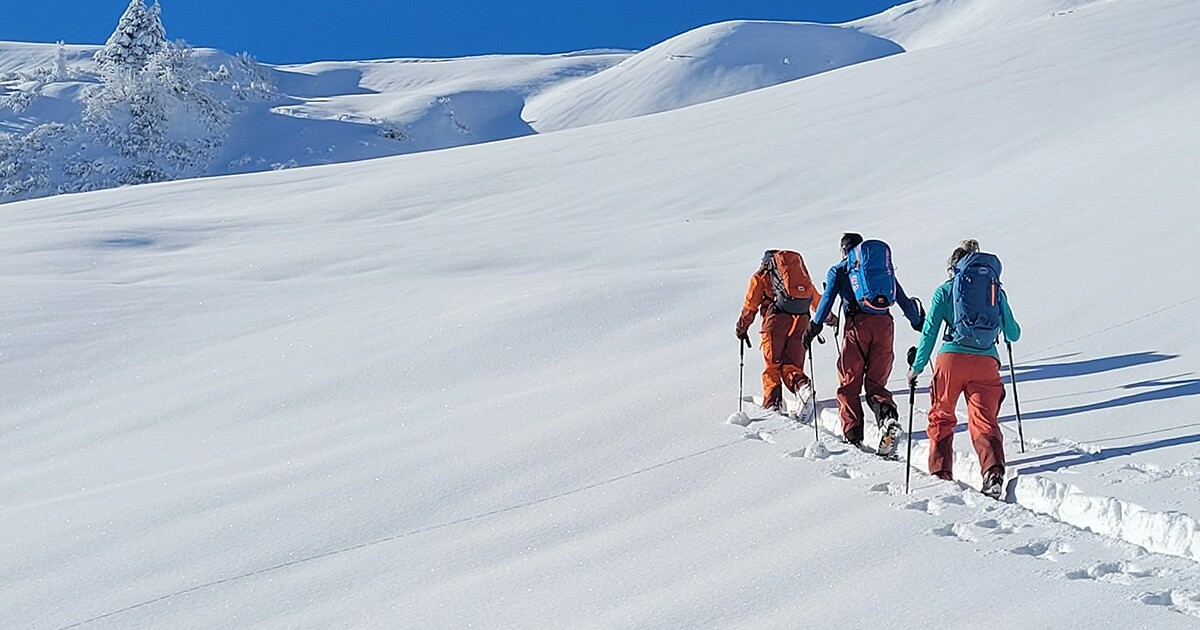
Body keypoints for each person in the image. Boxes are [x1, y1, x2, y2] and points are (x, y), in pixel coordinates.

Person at [906, 239, 1021, 499]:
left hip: (951, 360)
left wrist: (917, 367)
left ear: (954, 268)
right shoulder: (995, 291)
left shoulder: (945, 291)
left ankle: (941, 471)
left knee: (942, 416)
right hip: (986, 363)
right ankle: (992, 471)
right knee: (984, 420)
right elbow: (1013, 333)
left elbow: (930, 331)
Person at [805, 233, 923, 454]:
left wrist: (813, 327)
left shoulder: (840, 270)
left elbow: (827, 299)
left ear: (843, 250)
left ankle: (853, 436)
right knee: (876, 385)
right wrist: (917, 322)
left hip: (857, 328)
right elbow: (903, 299)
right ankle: (888, 419)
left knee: (849, 384)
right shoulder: (880, 270)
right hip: (885, 325)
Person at [736, 250, 824, 414]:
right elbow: (817, 301)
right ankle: (803, 388)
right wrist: (830, 319)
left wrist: (742, 327)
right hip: (801, 322)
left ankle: (772, 404)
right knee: (792, 366)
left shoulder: (760, 276)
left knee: (773, 367)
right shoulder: (798, 278)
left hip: (775, 323)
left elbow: (750, 306)